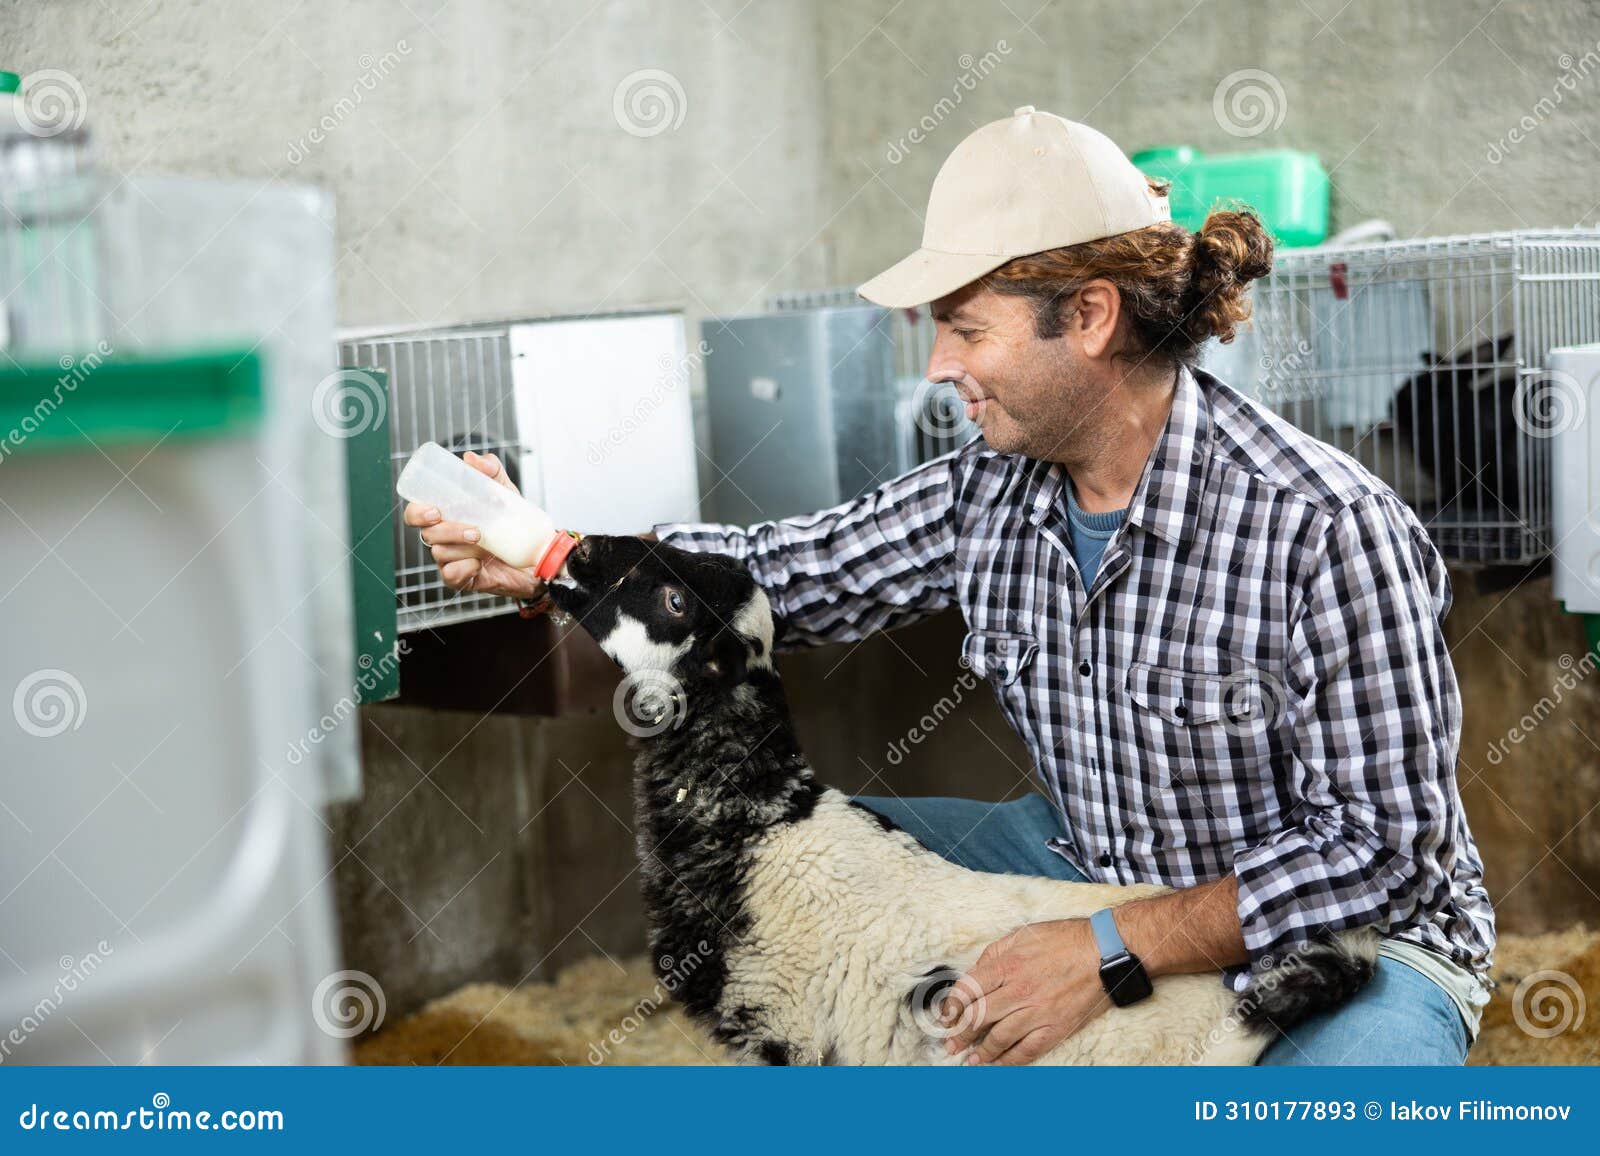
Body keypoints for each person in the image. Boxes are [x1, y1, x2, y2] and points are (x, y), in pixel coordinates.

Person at [404, 106, 1494, 1066]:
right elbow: (781, 573)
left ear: (1090, 317)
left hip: (1349, 940)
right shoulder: (988, 486)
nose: (938, 366)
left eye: (967, 329)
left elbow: (1381, 854)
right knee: (791, 877)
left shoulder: (1325, 528)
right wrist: (550, 557)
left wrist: (1104, 950)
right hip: (1086, 863)